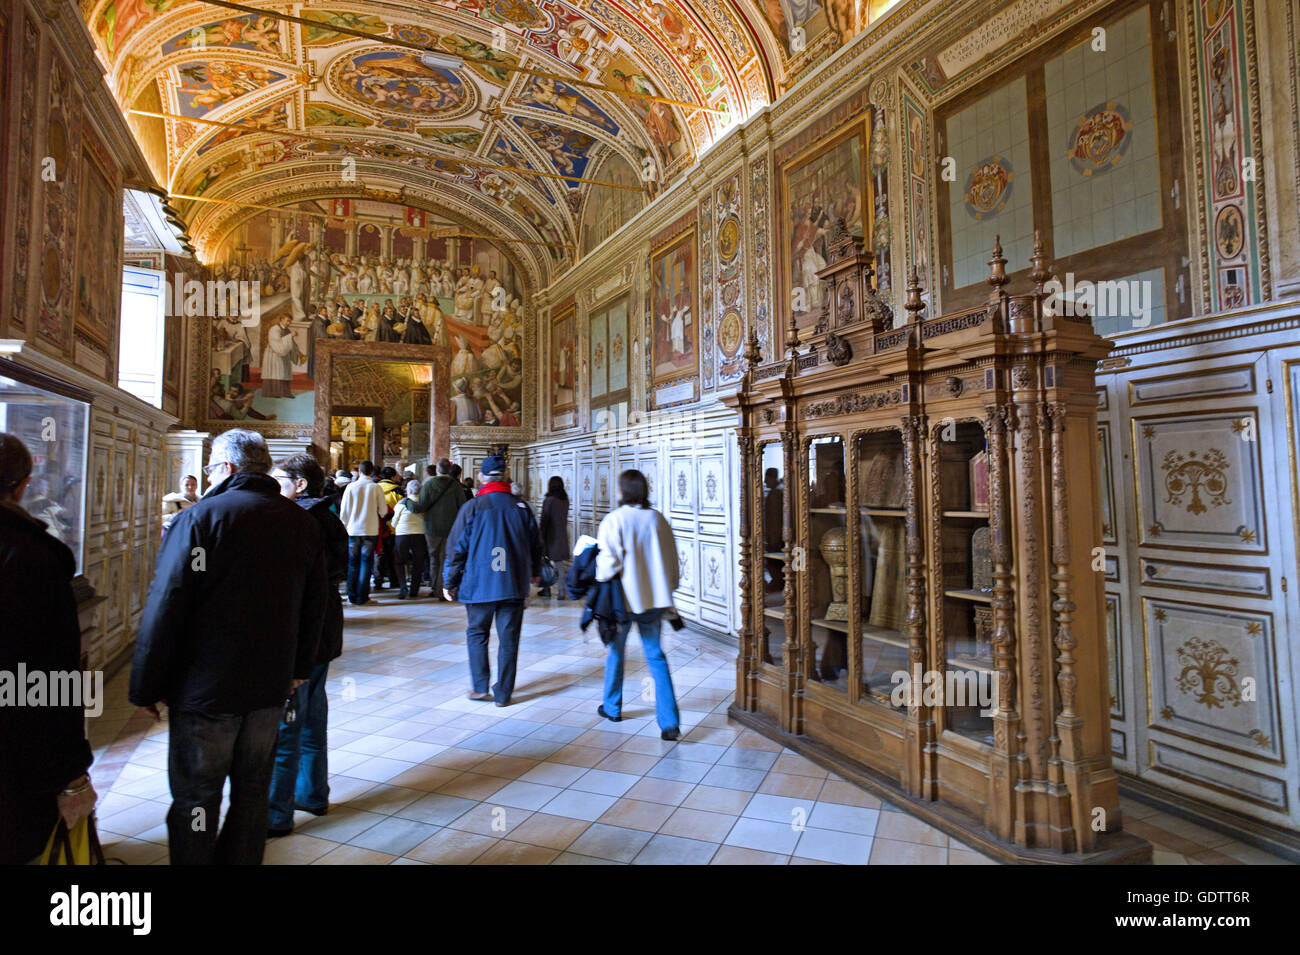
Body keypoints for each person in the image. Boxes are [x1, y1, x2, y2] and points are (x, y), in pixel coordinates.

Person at [130, 429, 327, 864]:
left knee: (198, 796)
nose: (208, 475)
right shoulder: (299, 522)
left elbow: (167, 604)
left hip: (206, 689)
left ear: (228, 468)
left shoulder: (200, 519)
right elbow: (316, 605)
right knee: (253, 792)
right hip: (269, 685)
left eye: (210, 468)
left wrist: (145, 686)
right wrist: (299, 669)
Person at [0, 434, 98, 864]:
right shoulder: (36, 557)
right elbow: (52, 679)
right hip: (16, 754)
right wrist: (72, 775)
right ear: (23, 485)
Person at [266, 453, 348, 836]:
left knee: (288, 722)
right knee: (312, 712)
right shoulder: (328, 517)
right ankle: (313, 794)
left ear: (300, 484)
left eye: (278, 477)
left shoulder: (297, 522)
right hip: (324, 630)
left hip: (302, 634)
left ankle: (276, 814)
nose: (272, 483)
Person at [442, 453, 542, 706]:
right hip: (512, 584)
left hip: (479, 585)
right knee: (509, 639)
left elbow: (456, 548)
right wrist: (534, 574)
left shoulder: (472, 507)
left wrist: (449, 581)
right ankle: (504, 693)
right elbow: (535, 546)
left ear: (481, 477)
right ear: (506, 476)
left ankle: (479, 687)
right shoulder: (521, 507)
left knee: (477, 633)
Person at [594, 469, 682, 741]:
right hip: (653, 600)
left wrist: (597, 574)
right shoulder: (658, 519)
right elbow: (671, 560)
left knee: (616, 652)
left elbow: (608, 567)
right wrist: (668, 589)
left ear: (623, 491)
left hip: (623, 601)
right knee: (656, 656)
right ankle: (669, 723)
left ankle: (613, 707)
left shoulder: (615, 520)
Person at [412, 458, 465, 600]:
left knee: (433, 559)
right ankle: (444, 589)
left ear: (437, 470)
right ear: (449, 470)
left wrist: (407, 502)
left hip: (431, 527)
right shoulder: (456, 486)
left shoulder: (429, 485)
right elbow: (463, 508)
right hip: (451, 528)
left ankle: (435, 588)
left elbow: (421, 506)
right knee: (446, 559)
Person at [338, 459, 389, 605]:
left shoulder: (351, 487)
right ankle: (363, 597)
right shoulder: (376, 487)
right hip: (370, 529)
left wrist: (346, 526)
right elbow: (383, 511)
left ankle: (351, 596)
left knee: (353, 563)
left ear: (359, 471)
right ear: (372, 472)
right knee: (366, 563)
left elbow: (344, 512)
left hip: (353, 530)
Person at [391, 480, 429, 599]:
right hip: (420, 534)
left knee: (399, 561)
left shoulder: (402, 503)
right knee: (418, 563)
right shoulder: (424, 503)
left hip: (402, 534)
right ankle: (414, 590)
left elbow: (394, 522)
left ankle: (403, 587)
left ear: (410, 490)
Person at [539, 476, 570, 599]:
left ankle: (546, 589)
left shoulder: (549, 500)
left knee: (545, 563)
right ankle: (561, 591)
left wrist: (540, 536)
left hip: (549, 536)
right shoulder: (565, 500)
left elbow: (544, 520)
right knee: (559, 565)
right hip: (562, 535)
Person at [376, 466, 403, 591]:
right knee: (393, 556)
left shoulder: (375, 488)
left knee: (379, 555)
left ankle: (378, 580)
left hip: (378, 526)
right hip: (393, 527)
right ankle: (394, 580)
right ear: (393, 477)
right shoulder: (398, 491)